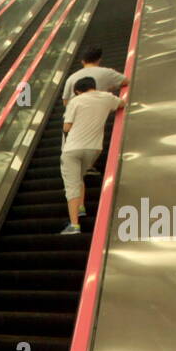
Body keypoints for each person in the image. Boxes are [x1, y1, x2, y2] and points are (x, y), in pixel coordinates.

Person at [60, 76, 125, 234]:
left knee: (71, 185)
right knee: (80, 176)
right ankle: (80, 207)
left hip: (73, 148)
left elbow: (67, 127)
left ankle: (74, 225)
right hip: (94, 148)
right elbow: (122, 103)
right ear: (93, 86)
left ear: (77, 91)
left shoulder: (76, 101)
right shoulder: (107, 98)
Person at [62, 45, 126, 104]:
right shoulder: (107, 72)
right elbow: (126, 81)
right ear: (99, 60)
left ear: (83, 61)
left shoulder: (71, 78)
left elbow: (66, 101)